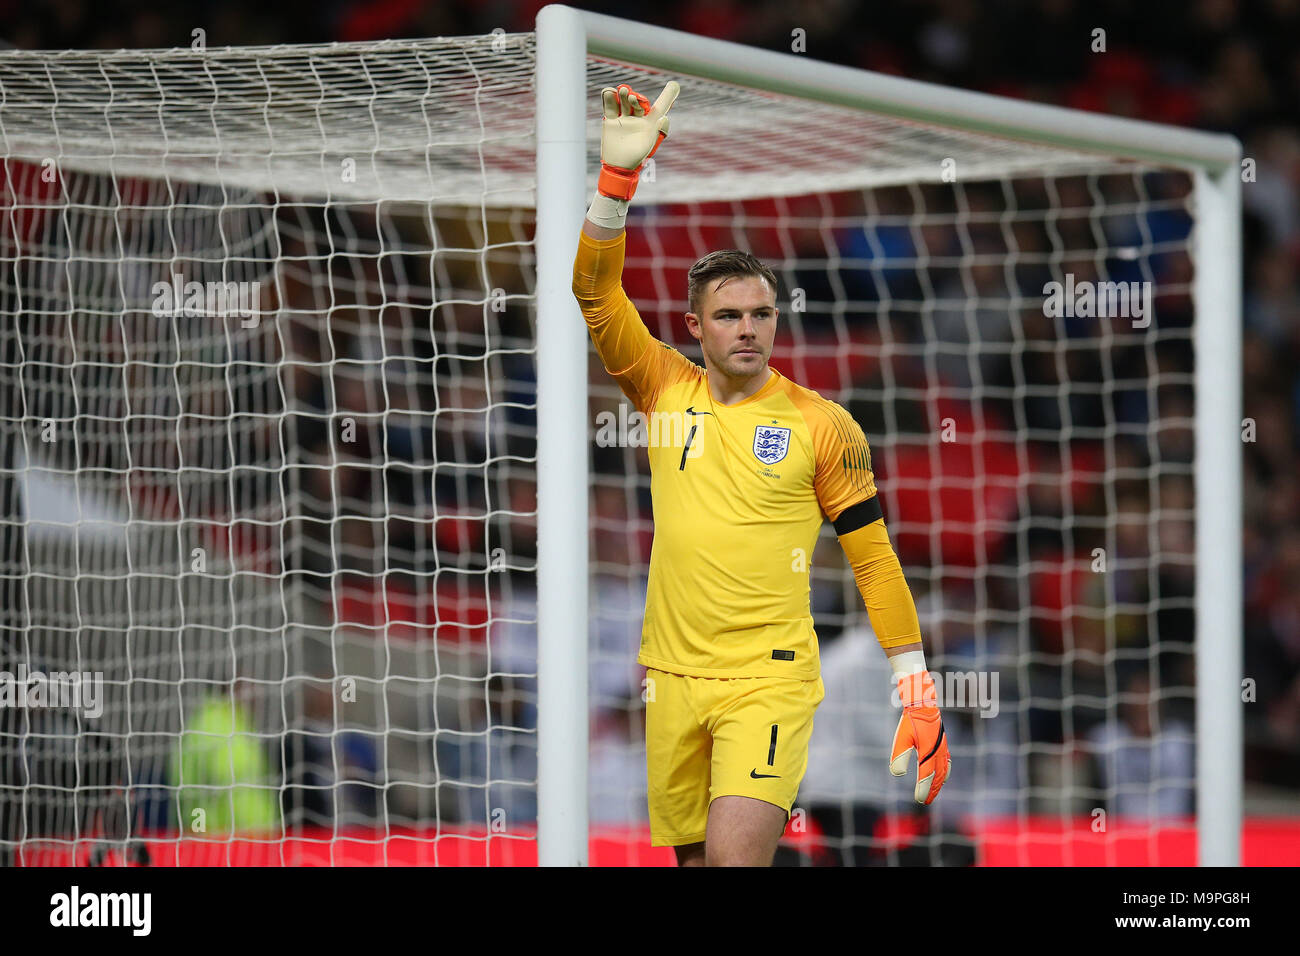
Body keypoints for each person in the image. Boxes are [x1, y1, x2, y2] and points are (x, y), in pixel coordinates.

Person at [571, 81, 951, 866]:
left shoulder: (823, 424)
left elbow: (872, 556)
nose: (748, 330)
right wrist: (614, 185)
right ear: (693, 327)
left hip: (768, 680)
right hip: (670, 679)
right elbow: (595, 293)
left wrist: (915, 681)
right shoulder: (661, 386)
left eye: (761, 314)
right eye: (728, 316)